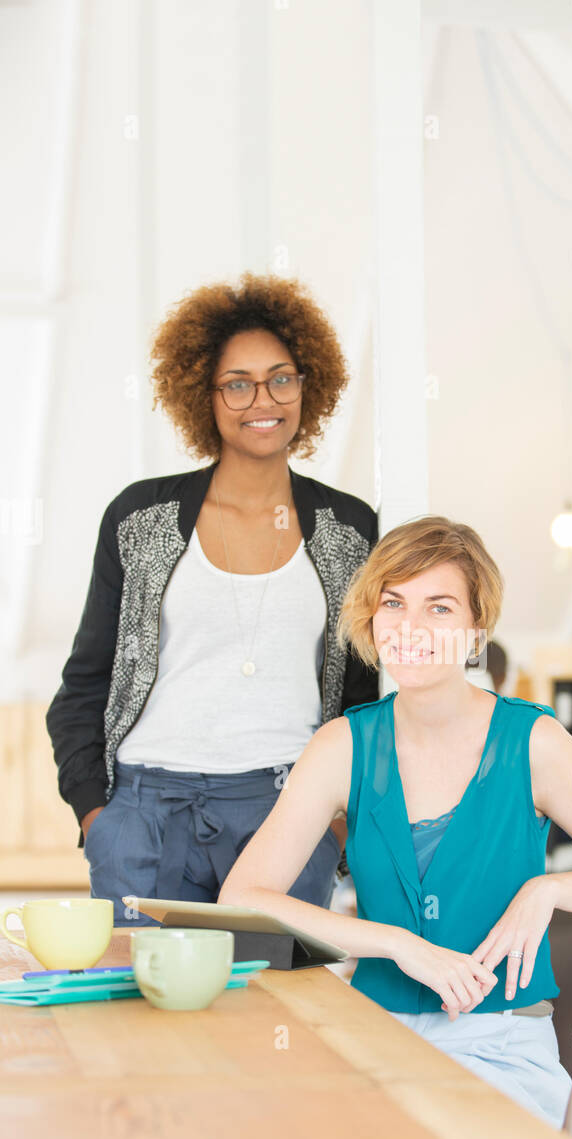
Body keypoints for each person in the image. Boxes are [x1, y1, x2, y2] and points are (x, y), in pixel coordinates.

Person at [218, 516, 572, 1128]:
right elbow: (243, 898)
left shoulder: (533, 742)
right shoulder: (344, 746)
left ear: (474, 631)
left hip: (501, 1046)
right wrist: (396, 944)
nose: (410, 629)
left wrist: (548, 890)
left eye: (439, 608)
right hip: (373, 1036)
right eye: (394, 603)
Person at [46, 273, 379, 935]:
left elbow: (363, 702)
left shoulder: (351, 529)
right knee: (144, 1025)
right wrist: (98, 817)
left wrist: (334, 825)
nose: (264, 399)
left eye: (282, 378)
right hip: (145, 812)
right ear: (205, 393)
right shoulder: (140, 517)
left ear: (308, 386)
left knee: (277, 1020)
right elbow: (83, 684)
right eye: (238, 383)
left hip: (288, 814)